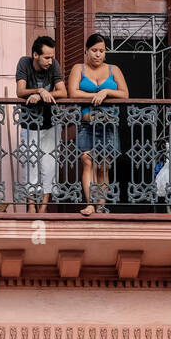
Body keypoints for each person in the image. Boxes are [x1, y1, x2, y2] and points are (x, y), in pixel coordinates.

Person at [67, 33, 129, 216]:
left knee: (103, 166)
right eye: (94, 50)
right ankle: (90, 204)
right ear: (86, 51)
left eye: (102, 51)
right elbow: (72, 92)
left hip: (109, 125)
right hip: (87, 124)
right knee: (87, 161)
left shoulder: (113, 69)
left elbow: (125, 94)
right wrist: (97, 96)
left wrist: (107, 91)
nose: (98, 55)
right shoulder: (78, 68)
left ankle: (101, 206)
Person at [15, 36, 67, 214]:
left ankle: (44, 208)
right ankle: (31, 206)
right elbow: (20, 91)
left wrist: (46, 93)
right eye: (46, 57)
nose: (50, 61)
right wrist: (39, 90)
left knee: (49, 164)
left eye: (52, 57)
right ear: (35, 55)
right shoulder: (24, 63)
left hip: (51, 122)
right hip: (29, 123)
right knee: (31, 164)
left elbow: (63, 91)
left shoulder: (54, 65)